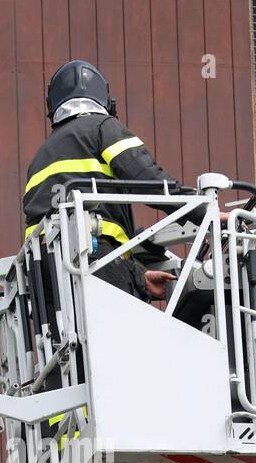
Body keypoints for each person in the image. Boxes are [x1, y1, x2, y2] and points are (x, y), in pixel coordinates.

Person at [23, 60, 188, 302]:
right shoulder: (102, 127)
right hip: (94, 258)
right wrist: (199, 211)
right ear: (106, 101)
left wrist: (138, 276)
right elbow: (147, 178)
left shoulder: (38, 157)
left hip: (44, 274)